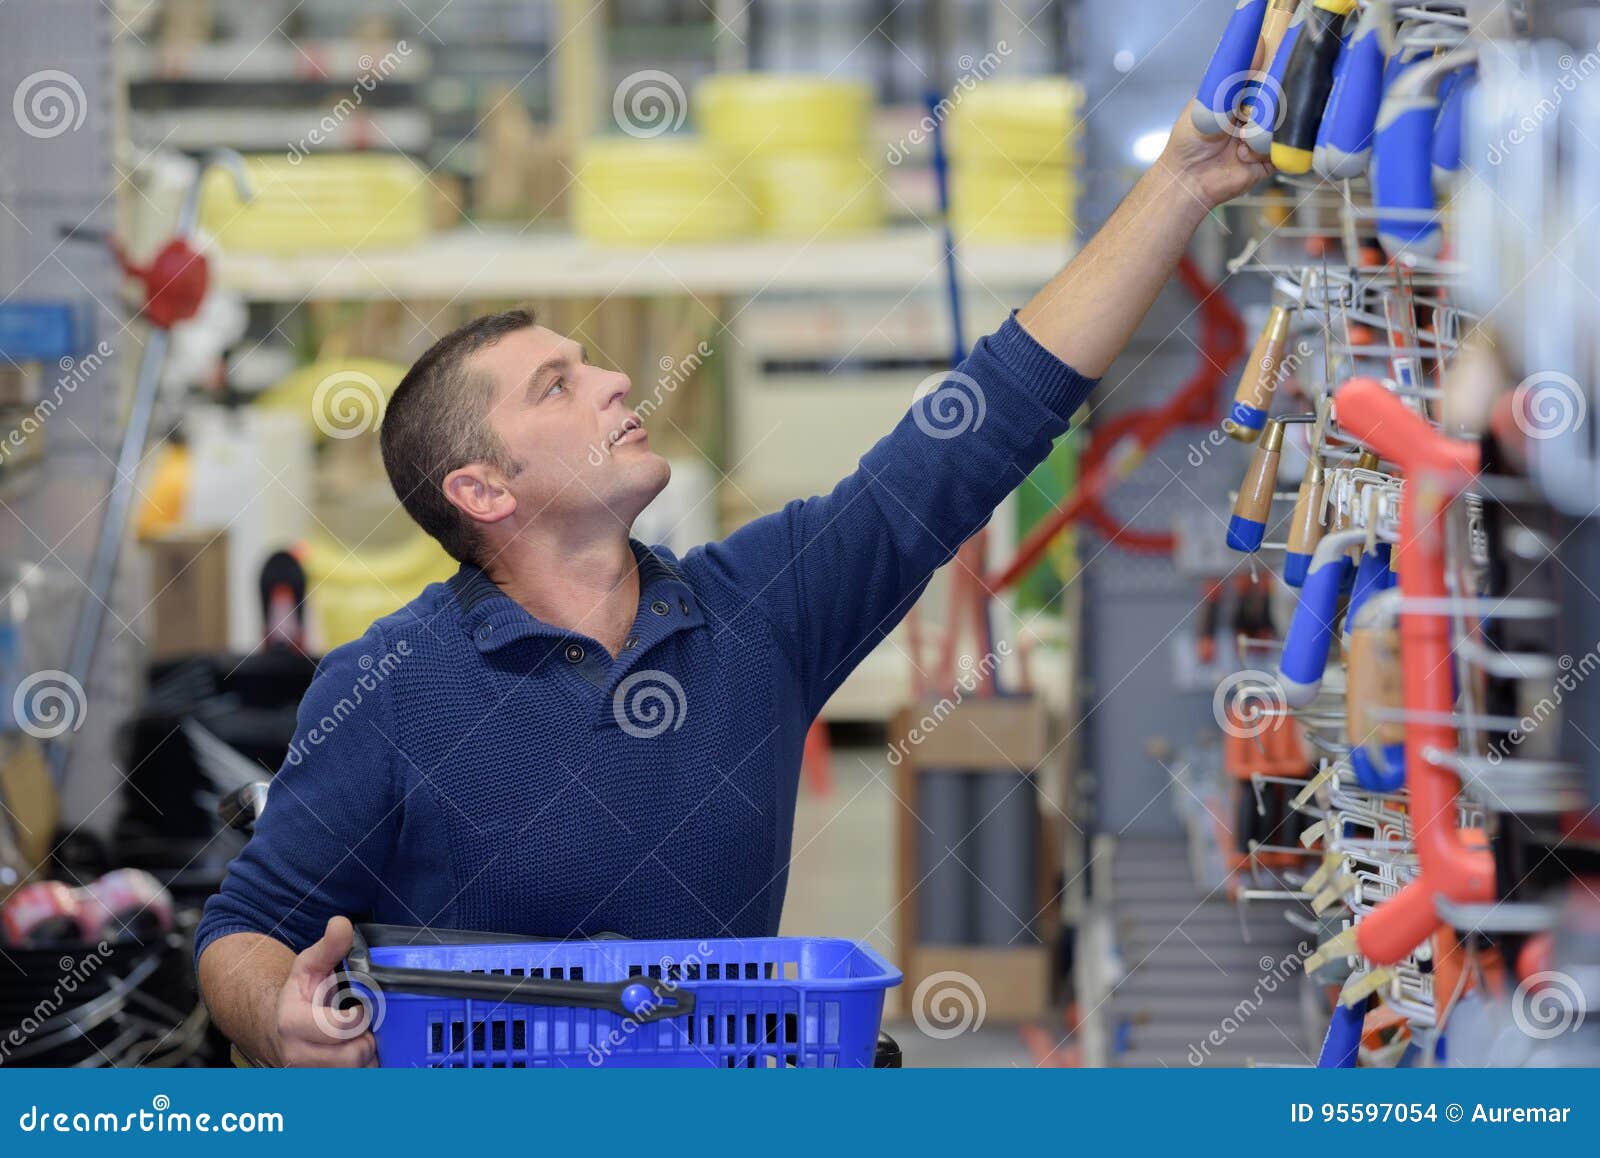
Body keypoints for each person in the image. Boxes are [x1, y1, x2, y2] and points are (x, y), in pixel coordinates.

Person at [196, 107, 1271, 1065]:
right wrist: (276, 1013)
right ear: (482, 489)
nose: (615, 380)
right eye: (556, 387)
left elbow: (984, 423)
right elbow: (240, 931)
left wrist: (1176, 184)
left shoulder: (757, 609)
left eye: (591, 364)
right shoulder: (385, 688)